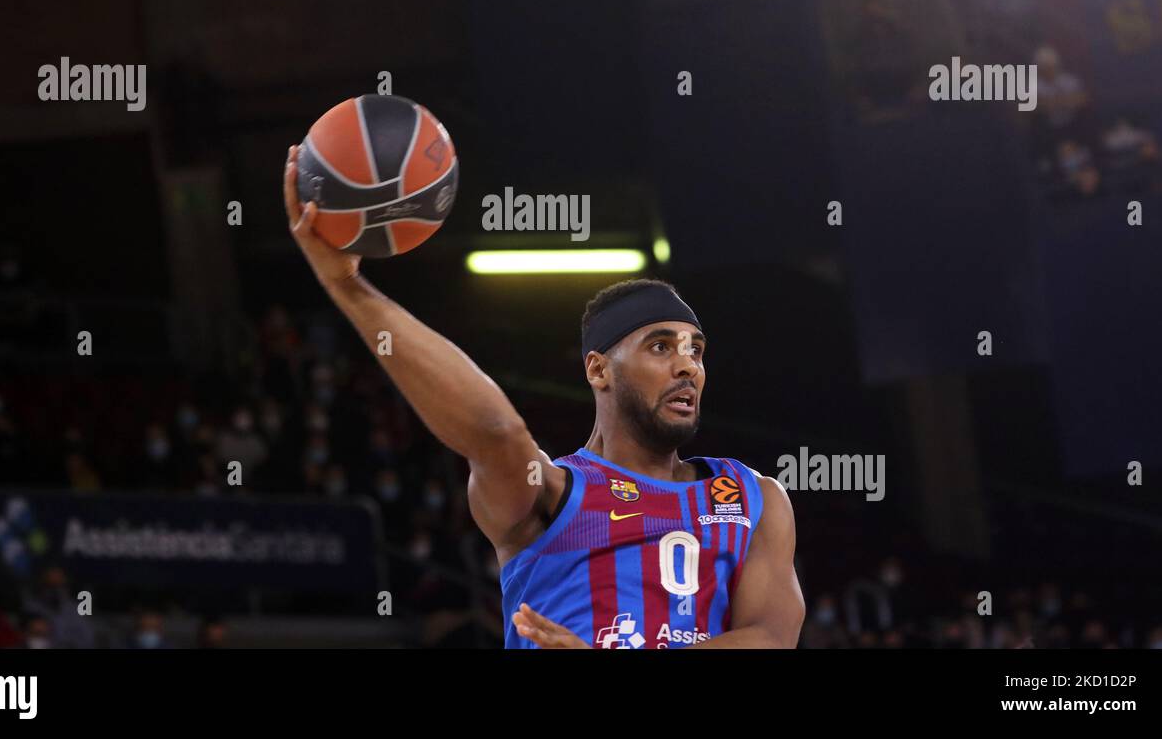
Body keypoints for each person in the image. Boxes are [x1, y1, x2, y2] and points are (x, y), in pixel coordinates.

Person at [284, 146, 804, 649]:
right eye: (661, 346)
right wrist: (351, 287)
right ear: (598, 369)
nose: (688, 364)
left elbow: (772, 638)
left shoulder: (752, 498)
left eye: (696, 350)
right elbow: (494, 433)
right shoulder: (548, 493)